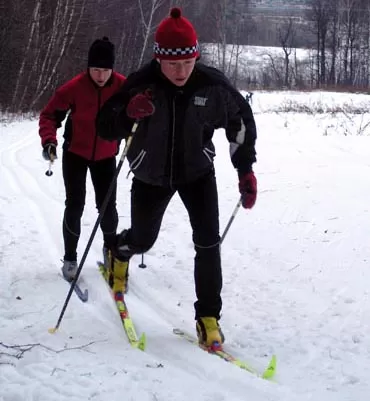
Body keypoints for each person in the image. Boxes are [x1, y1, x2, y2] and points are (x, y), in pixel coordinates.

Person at [96, 8, 257, 347]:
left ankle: (208, 317)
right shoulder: (142, 83)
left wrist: (245, 170)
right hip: (151, 175)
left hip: (197, 174)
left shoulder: (211, 84)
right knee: (143, 239)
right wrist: (127, 113)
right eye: (173, 64)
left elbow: (239, 122)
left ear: (196, 56)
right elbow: (105, 125)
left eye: (188, 62)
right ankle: (119, 252)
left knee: (208, 243)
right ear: (159, 59)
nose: (181, 71)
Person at [39, 37, 126, 281]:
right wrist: (49, 141)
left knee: (108, 208)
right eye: (96, 70)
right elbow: (48, 116)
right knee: (75, 205)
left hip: (106, 156)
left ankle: (111, 252)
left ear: (113, 69)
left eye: (106, 70)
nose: (101, 76)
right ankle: (70, 257)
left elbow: (140, 109)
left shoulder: (122, 86)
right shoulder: (74, 87)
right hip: (76, 154)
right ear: (88, 67)